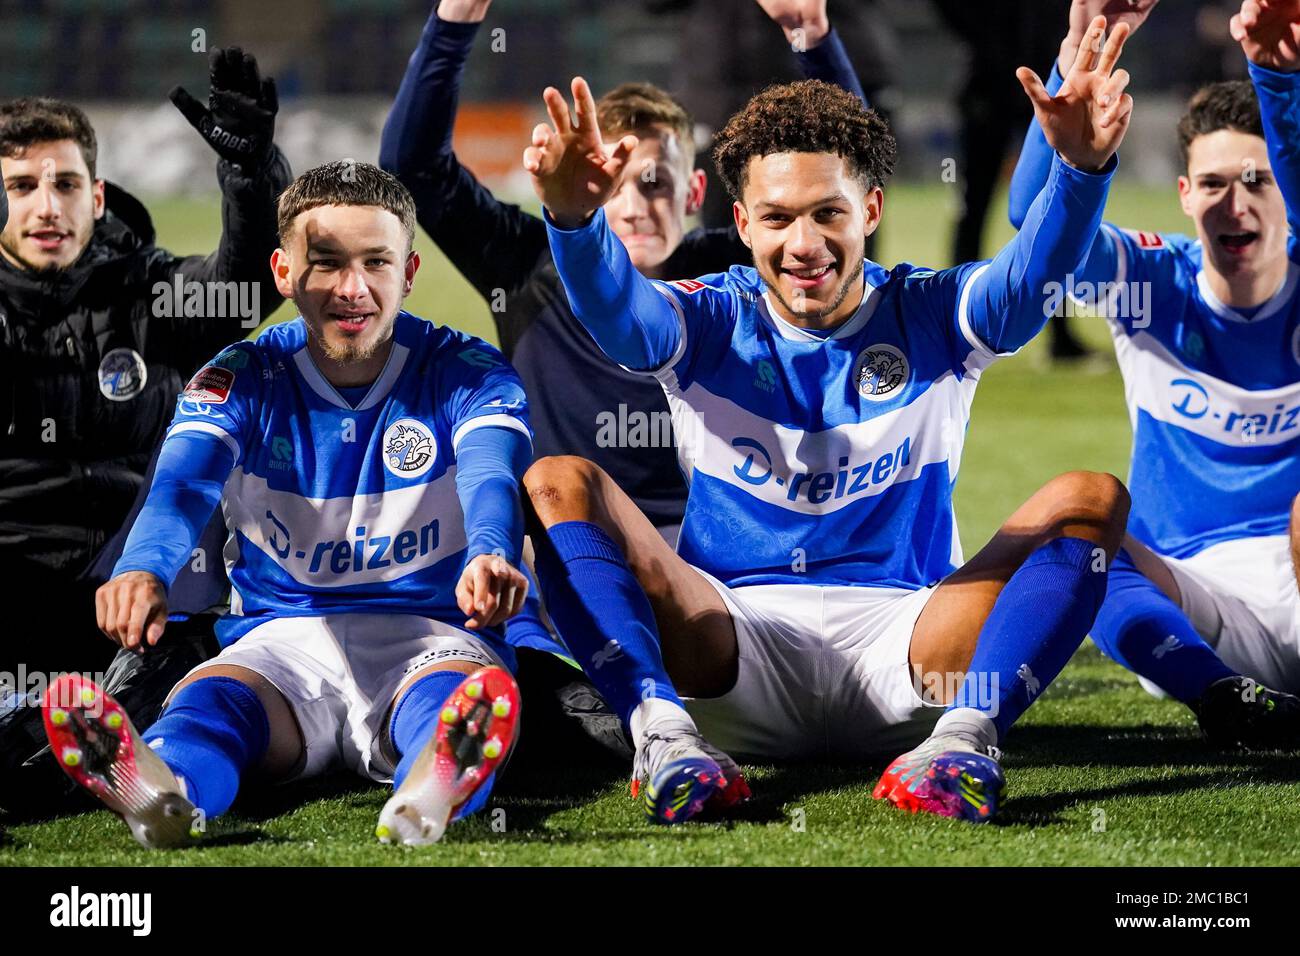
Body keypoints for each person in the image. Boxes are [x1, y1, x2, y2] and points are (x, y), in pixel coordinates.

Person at [519, 17, 1135, 824]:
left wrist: (1080, 172)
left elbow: (1031, 279)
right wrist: (574, 223)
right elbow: (617, 313)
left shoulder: (933, 312)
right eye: (777, 218)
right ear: (743, 225)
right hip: (731, 653)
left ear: (870, 210)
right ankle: (663, 737)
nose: (803, 243)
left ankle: (963, 744)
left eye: (827, 214)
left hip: (910, 660)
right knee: (555, 481)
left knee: (1091, 497)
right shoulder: (707, 318)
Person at [40, 163, 533, 848]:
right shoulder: (238, 378)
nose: (352, 289)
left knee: (450, 704)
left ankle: (430, 788)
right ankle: (164, 790)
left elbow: (491, 475)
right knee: (210, 707)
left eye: (376, 262)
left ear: (409, 272)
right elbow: (182, 487)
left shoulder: (468, 372)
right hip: (283, 639)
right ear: (283, 270)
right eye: (326, 263)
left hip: (432, 634)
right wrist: (144, 568)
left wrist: (490, 551)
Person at [379, 0, 865, 541]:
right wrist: (453, 19)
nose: (632, 207)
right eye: (608, 184)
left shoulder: (734, 271)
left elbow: (845, 171)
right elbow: (412, 169)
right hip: (574, 537)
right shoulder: (528, 262)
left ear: (693, 193)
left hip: (719, 546)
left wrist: (810, 34)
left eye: (654, 184)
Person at [0, 48, 291, 817]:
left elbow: (244, 286)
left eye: (65, 184)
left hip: (128, 593)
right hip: (13, 580)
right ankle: (60, 745)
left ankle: (51, 750)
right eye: (22, 187)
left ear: (96, 196)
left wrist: (249, 173)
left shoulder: (151, 292)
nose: (47, 207)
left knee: (193, 622)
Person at [1007, 0, 1300, 747]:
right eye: (1213, 183)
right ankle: (1223, 698)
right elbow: (1034, 227)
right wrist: (1076, 60)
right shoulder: (1150, 279)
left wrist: (1279, 80)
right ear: (1184, 195)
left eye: (1258, 181)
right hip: (1190, 604)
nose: (1234, 204)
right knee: (1076, 527)